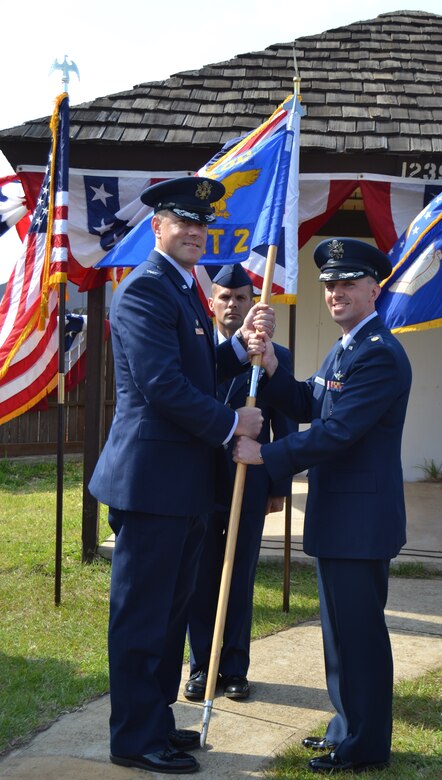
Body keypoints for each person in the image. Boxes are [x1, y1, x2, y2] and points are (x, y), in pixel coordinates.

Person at [88, 177, 273, 775]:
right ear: (157, 227)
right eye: (183, 222)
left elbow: (192, 368)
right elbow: (162, 387)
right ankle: (133, 738)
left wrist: (236, 347)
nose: (196, 231)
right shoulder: (145, 290)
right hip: (152, 482)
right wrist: (233, 422)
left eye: (203, 224)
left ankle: (156, 723)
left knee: (170, 613)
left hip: (183, 482)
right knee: (144, 616)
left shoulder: (186, 287)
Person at [233, 238, 412, 774]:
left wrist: (265, 456)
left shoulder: (379, 353)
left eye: (347, 283)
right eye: (330, 285)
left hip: (361, 520)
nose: (335, 292)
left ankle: (364, 746)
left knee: (359, 635)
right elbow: (312, 400)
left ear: (374, 289)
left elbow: (337, 433)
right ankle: (346, 726)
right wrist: (267, 369)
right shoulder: (349, 346)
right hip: (342, 516)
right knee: (341, 633)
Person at [185, 263, 296, 702]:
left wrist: (279, 487)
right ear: (210, 302)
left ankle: (234, 668)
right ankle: (201, 667)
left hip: (249, 480)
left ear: (254, 303)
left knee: (239, 573)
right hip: (198, 480)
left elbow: (286, 424)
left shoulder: (274, 356)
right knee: (201, 573)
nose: (233, 305)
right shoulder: (196, 355)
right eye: (225, 298)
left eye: (242, 298)